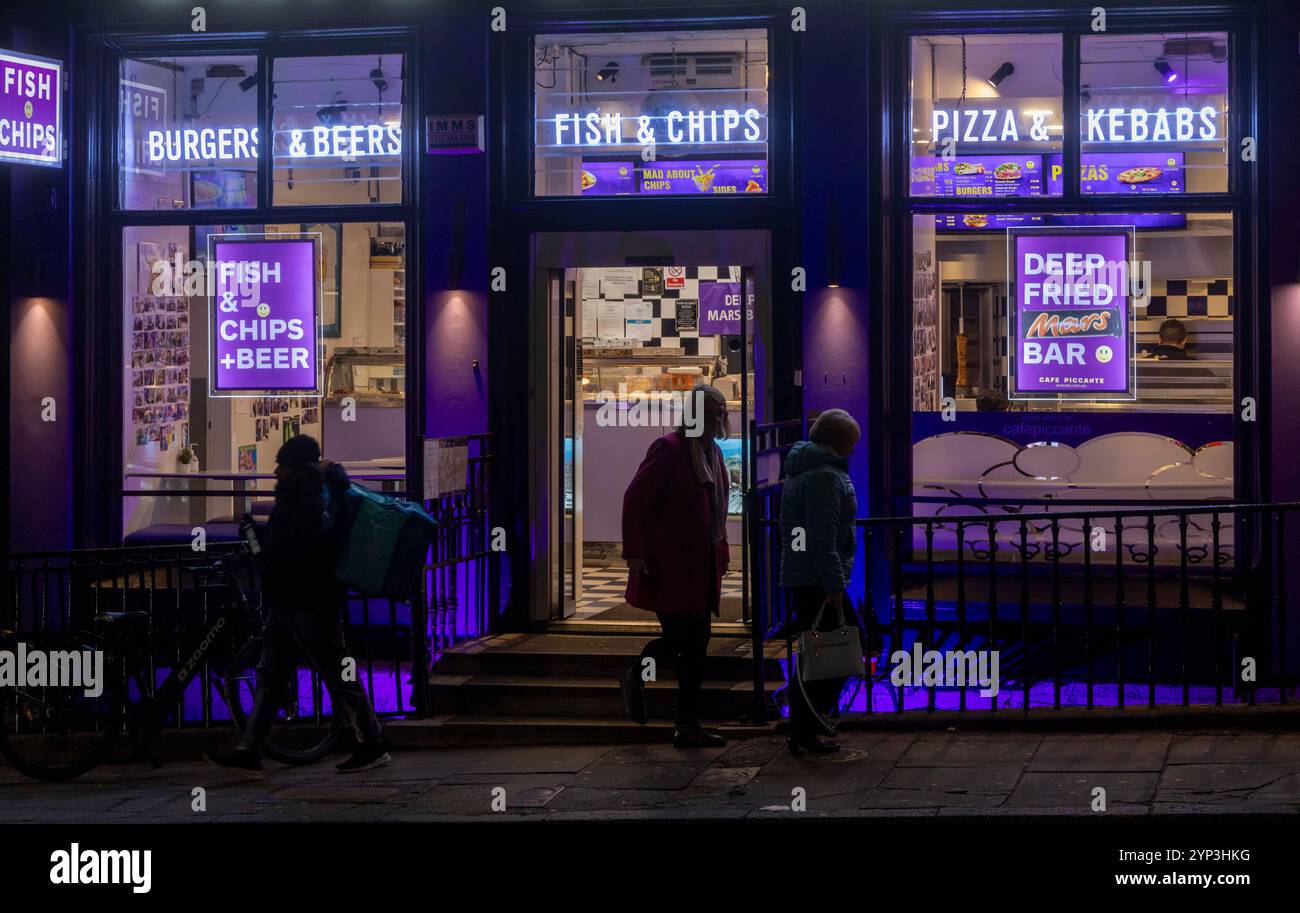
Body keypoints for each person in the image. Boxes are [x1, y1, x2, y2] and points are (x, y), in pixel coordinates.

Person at [207, 434, 391, 774]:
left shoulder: (311, 501)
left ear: (297, 468)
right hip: (288, 602)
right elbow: (287, 545)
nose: (276, 470)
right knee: (272, 674)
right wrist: (259, 538)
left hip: (309, 602)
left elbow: (301, 549)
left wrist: (265, 547)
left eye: (283, 465)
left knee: (335, 670)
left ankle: (372, 741)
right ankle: (250, 747)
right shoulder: (298, 497)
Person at [618, 384, 731, 749]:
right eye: (712, 415)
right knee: (688, 639)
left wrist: (722, 551)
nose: (718, 422)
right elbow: (635, 498)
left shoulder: (712, 453)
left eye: (721, 415)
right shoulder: (669, 449)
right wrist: (635, 553)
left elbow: (715, 511)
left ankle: (686, 721)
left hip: (701, 565)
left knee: (696, 643)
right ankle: (639, 679)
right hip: (671, 565)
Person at [778, 409, 864, 755]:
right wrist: (834, 587)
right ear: (839, 443)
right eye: (851, 443)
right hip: (819, 581)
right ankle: (806, 727)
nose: (854, 451)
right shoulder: (825, 478)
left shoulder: (806, 471)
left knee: (822, 655)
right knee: (832, 656)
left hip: (809, 577)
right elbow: (823, 539)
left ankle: (808, 725)